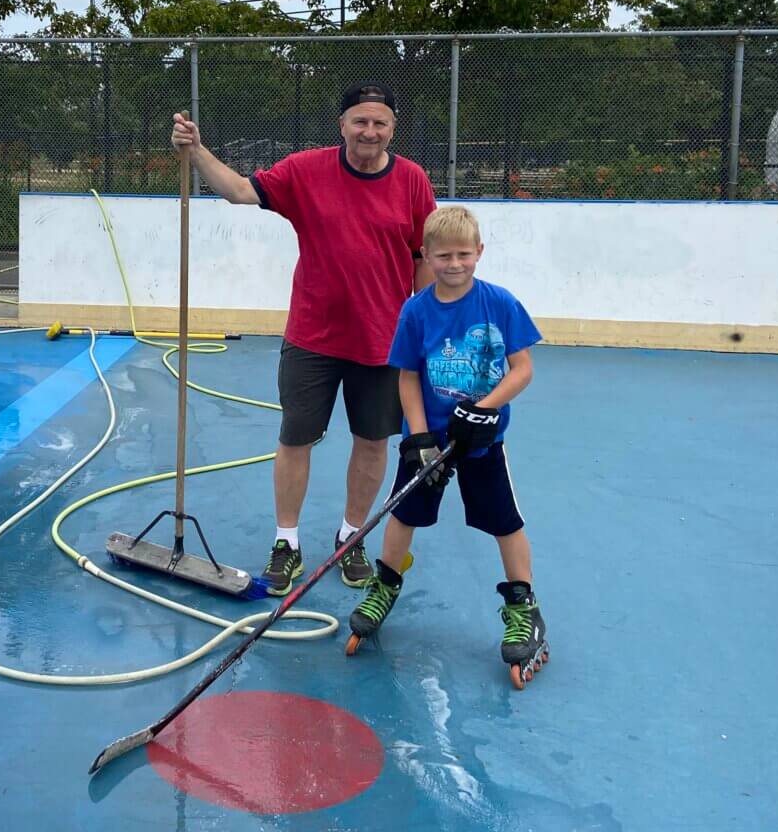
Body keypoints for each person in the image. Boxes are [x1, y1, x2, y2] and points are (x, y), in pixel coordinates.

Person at [170, 83, 436, 596]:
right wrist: (196, 150)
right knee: (296, 438)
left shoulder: (411, 180)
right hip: (313, 335)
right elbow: (239, 191)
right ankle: (286, 542)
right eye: (360, 121)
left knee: (372, 441)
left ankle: (350, 536)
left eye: (380, 123)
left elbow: (423, 253)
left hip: (384, 339)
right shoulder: (306, 170)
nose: (369, 131)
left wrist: (421, 327)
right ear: (342, 125)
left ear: (392, 129)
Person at [346, 205, 547, 681]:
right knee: (404, 512)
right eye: (443, 256)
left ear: (479, 253)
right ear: (426, 256)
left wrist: (485, 409)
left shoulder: (499, 303)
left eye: (463, 254)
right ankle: (385, 584)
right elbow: (409, 376)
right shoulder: (416, 311)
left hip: (483, 440)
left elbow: (523, 369)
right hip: (432, 442)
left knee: (503, 519)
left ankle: (523, 605)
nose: (454, 264)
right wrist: (417, 435)